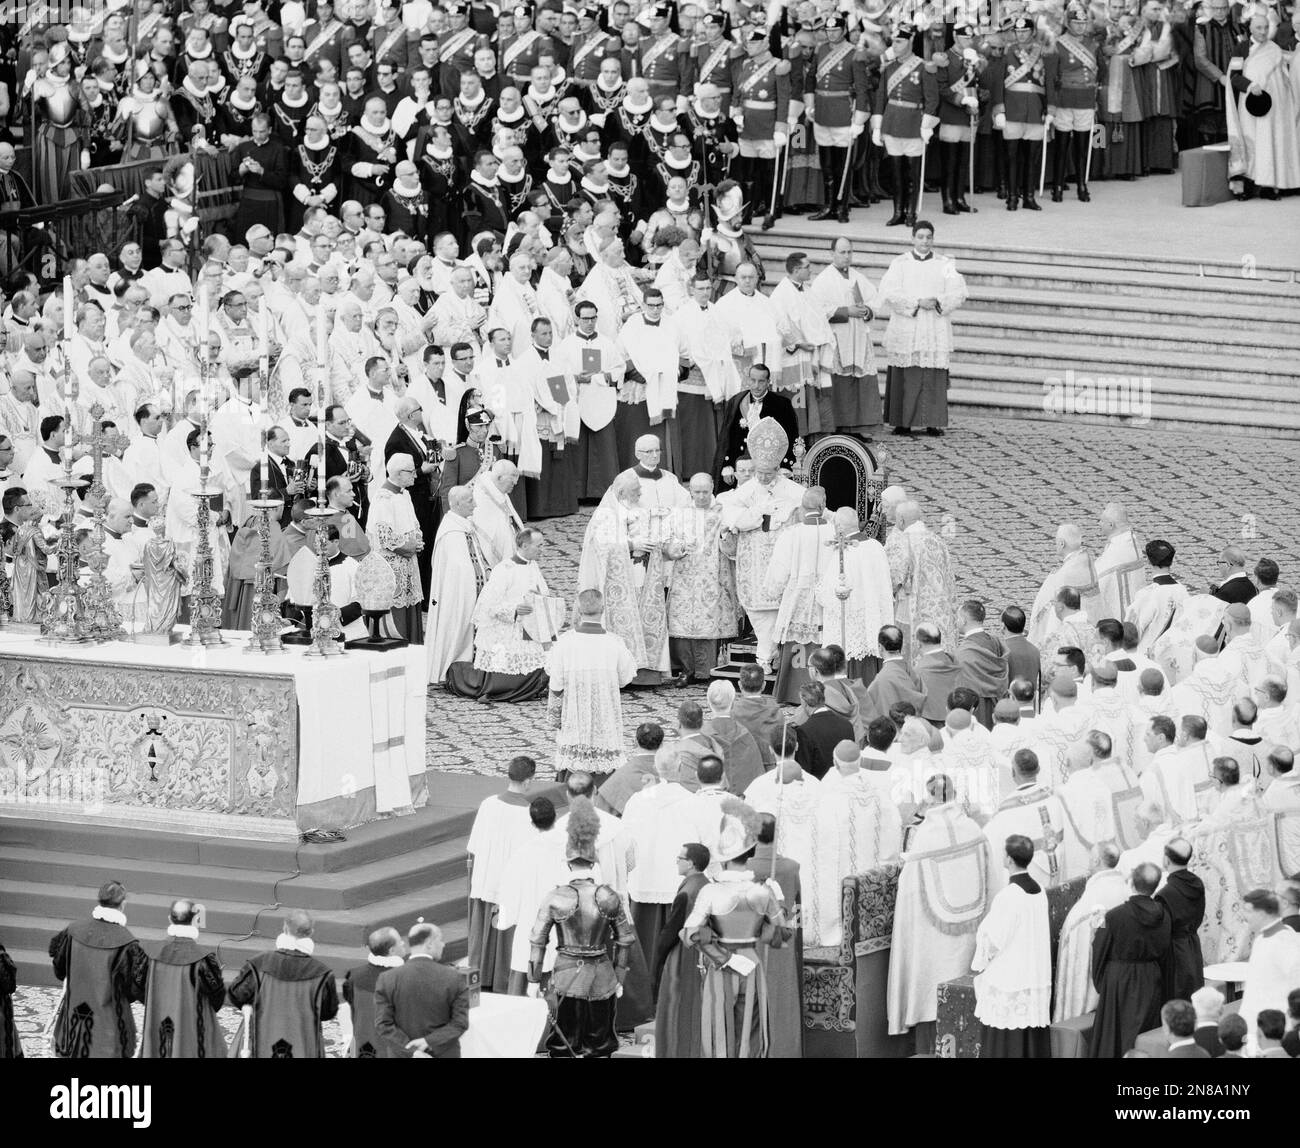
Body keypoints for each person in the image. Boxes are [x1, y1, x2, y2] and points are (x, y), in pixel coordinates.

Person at [528, 796, 636, 1058]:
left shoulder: (556, 897)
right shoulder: (608, 896)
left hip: (566, 974)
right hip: (603, 974)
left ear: (567, 862)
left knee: (565, 1041)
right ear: (594, 862)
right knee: (600, 1042)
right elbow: (625, 940)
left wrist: (533, 979)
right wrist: (619, 976)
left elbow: (537, 941)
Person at [685, 798, 789, 1058]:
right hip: (751, 963)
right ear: (750, 852)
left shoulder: (710, 891)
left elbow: (690, 934)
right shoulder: (763, 890)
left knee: (718, 1029)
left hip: (720, 966)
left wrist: (724, 957)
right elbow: (782, 935)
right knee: (751, 1030)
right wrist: (774, 910)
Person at [877, 220, 966, 437]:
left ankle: (932, 421)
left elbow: (959, 292)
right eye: (920, 237)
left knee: (932, 374)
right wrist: (917, 302)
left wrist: (937, 301)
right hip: (909, 325)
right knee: (906, 374)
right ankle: (902, 422)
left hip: (934, 326)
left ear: (933, 239)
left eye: (928, 237)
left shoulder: (945, 263)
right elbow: (889, 291)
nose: (924, 241)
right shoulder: (900, 263)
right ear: (913, 238)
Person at [48, 881, 149, 1058]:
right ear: (123, 904)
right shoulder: (127, 943)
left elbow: (59, 969)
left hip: (72, 1022)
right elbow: (136, 989)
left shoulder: (73, 931)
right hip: (109, 1031)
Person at [972, 834, 1052, 1058]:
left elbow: (993, 940)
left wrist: (981, 944)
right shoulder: (1040, 891)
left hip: (1011, 979)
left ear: (1008, 859)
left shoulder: (1009, 896)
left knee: (1006, 1047)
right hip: (1033, 976)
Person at [546, 588, 637, 779]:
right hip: (605, 712)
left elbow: (555, 683)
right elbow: (626, 678)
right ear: (603, 609)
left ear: (578, 609)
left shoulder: (565, 643)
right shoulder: (614, 643)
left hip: (574, 714)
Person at [466, 754, 537, 993]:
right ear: (528, 781)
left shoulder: (488, 804)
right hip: (510, 886)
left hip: (487, 878)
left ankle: (478, 978)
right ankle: (501, 982)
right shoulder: (529, 813)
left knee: (481, 935)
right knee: (507, 935)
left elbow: (474, 846)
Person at [227, 910, 340, 1058]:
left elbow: (237, 995)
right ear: (311, 932)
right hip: (304, 1044)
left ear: (284, 928)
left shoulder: (259, 963)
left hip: (262, 1040)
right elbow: (328, 1012)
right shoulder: (322, 973)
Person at [1090, 862, 1172, 1059]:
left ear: (1131, 883)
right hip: (1151, 977)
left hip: (1120, 980)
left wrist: (1102, 982)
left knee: (1117, 1034)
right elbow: (1165, 951)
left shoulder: (1112, 916)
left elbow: (1099, 948)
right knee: (1145, 1032)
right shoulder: (1164, 915)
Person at [666, 472, 739, 684]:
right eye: (696, 492)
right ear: (690, 491)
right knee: (683, 621)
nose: (701, 496)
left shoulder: (722, 512)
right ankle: (686, 669)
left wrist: (727, 535)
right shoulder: (679, 514)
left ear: (713, 488)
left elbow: (731, 547)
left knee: (711, 619)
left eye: (705, 492)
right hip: (686, 575)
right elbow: (668, 541)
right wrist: (676, 547)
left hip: (714, 575)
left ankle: (709, 670)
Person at [1224, 11, 1300, 200]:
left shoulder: (1274, 48)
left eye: (1266, 27)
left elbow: (1284, 75)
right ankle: (1247, 188)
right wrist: (1250, 85)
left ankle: (1268, 187)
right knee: (1251, 143)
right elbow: (1233, 77)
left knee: (1269, 143)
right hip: (1250, 105)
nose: (1263, 31)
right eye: (1259, 27)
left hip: (1272, 108)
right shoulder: (1241, 48)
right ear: (1250, 28)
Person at [139, 898, 227, 1059]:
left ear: (169, 919)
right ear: (195, 920)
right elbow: (217, 996)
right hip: (191, 1029)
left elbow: (137, 987)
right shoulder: (203, 959)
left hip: (157, 1019)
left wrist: (158, 1003)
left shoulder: (149, 953)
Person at [1053, 843, 1129, 1022]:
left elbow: (1076, 937)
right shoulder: (1126, 889)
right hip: (1125, 980)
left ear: (1096, 860)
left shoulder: (1091, 903)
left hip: (1096, 980)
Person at [374, 921, 470, 1059]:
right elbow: (460, 1023)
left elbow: (383, 1025)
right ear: (429, 944)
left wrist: (412, 1052)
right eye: (441, 940)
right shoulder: (454, 977)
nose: (443, 944)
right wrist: (428, 1041)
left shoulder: (386, 979)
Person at [426, 485, 491, 684]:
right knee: (458, 628)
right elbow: (459, 572)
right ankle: (456, 669)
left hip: (475, 592)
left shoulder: (464, 525)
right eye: (471, 501)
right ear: (456, 504)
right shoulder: (451, 533)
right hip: (458, 598)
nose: (476, 505)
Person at [653, 841, 711, 1059]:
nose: (676, 861)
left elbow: (670, 933)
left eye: (680, 858)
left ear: (691, 863)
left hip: (683, 956)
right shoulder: (707, 884)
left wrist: (657, 962)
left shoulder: (686, 892)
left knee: (677, 1007)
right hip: (705, 953)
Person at [1237, 888, 1300, 1054]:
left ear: (1263, 913)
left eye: (1248, 910)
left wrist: (1290, 1025)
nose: (1244, 917)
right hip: (1256, 1027)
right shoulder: (1261, 939)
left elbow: (1296, 984)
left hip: (1274, 1030)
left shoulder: (1284, 941)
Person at [341, 927, 404, 1058]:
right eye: (400, 941)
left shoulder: (353, 975)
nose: (403, 943)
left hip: (363, 1045)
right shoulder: (404, 979)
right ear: (392, 951)